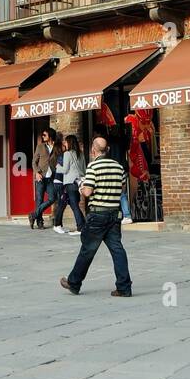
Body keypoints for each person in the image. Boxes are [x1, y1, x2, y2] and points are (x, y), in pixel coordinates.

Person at [61, 136, 132, 297]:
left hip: (98, 214)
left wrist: (80, 184)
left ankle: (74, 282)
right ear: (106, 150)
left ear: (93, 150)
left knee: (87, 249)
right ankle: (124, 286)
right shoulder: (118, 167)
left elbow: (87, 192)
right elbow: (121, 189)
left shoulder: (93, 166)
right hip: (114, 214)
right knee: (117, 250)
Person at [53, 134, 86, 235]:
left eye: (66, 142)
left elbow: (65, 169)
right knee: (73, 204)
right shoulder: (81, 153)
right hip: (78, 182)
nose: (64, 144)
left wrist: (58, 166)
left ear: (69, 143)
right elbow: (84, 170)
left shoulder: (67, 154)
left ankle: (80, 227)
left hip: (70, 182)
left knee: (74, 205)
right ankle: (82, 225)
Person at [29, 127, 58, 229]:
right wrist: (36, 172)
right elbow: (34, 162)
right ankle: (40, 222)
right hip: (41, 176)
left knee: (52, 198)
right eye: (42, 135)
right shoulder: (40, 146)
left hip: (51, 178)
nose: (43, 136)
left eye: (45, 135)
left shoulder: (57, 147)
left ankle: (33, 215)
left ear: (50, 135)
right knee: (39, 199)